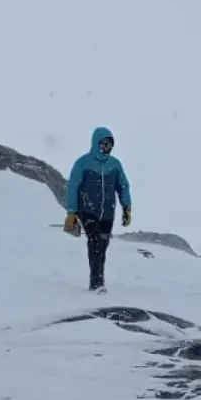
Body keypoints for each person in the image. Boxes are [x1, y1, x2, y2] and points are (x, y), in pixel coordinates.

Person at [63, 125, 132, 292]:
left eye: (109, 144)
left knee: (103, 245)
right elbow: (73, 187)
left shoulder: (115, 165)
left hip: (108, 213)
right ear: (95, 143)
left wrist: (126, 208)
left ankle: (98, 279)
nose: (106, 148)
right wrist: (71, 212)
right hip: (87, 210)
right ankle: (96, 283)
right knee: (94, 242)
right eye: (103, 144)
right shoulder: (83, 163)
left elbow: (123, 186)